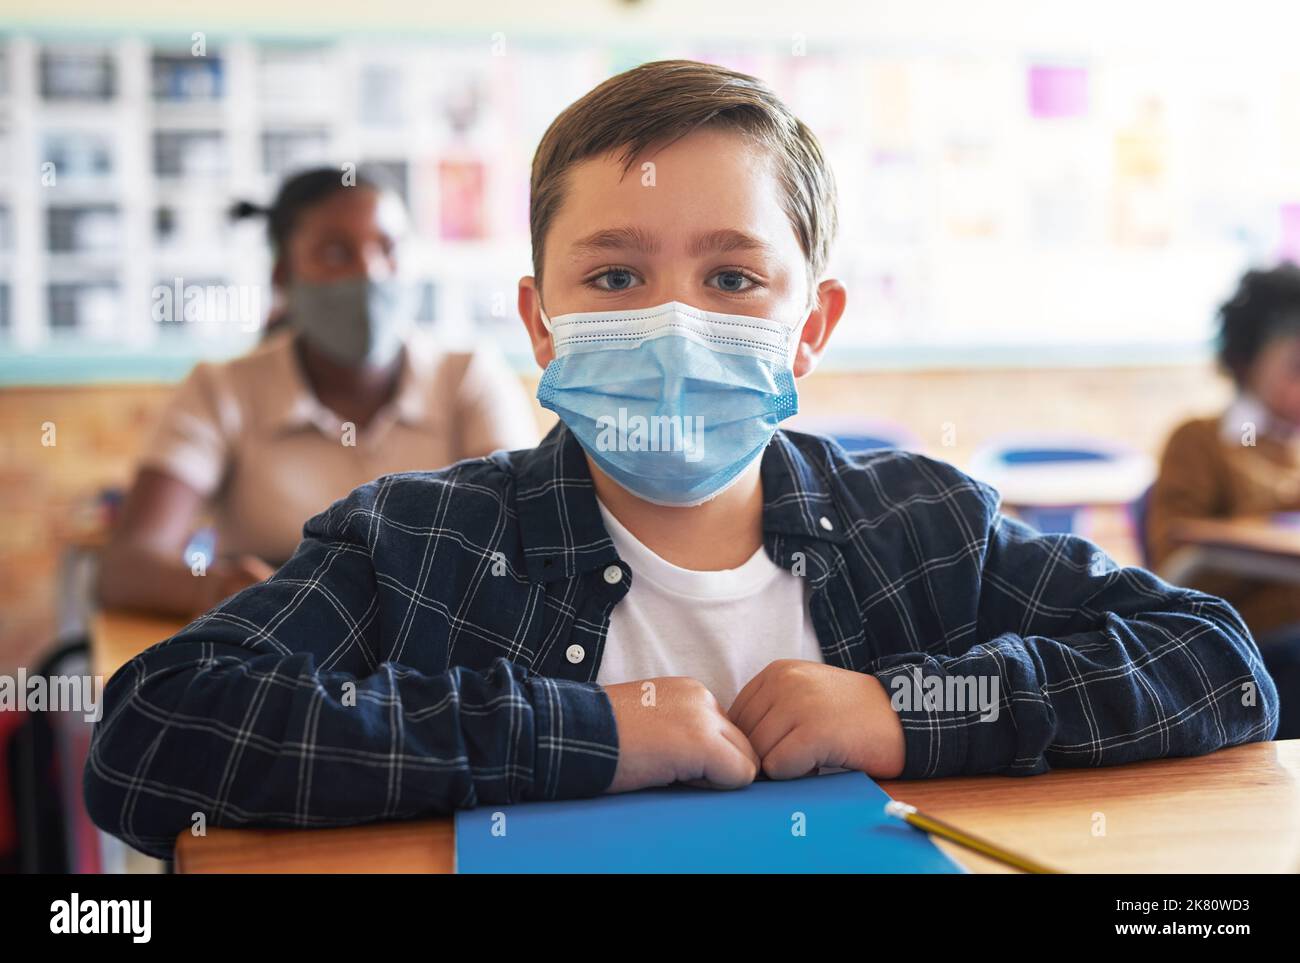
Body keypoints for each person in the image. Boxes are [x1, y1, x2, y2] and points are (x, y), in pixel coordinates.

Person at [86, 61, 1277, 861]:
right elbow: (155, 734)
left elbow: (1219, 669)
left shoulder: (923, 529)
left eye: (732, 277)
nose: (670, 322)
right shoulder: (416, 541)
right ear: (540, 322)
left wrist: (902, 711)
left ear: (810, 324)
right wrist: (586, 736)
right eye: (613, 277)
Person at [96, 167, 539, 618]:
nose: (369, 271)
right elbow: (128, 565)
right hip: (279, 652)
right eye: (334, 253)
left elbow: (523, 546)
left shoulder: (469, 380)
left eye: (388, 249)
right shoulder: (223, 390)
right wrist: (227, 592)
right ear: (284, 277)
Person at [1147, 265, 1300, 736]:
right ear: (1247, 362)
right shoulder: (1199, 441)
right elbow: (1175, 567)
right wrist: (1270, 515)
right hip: (1241, 645)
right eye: (1297, 367)